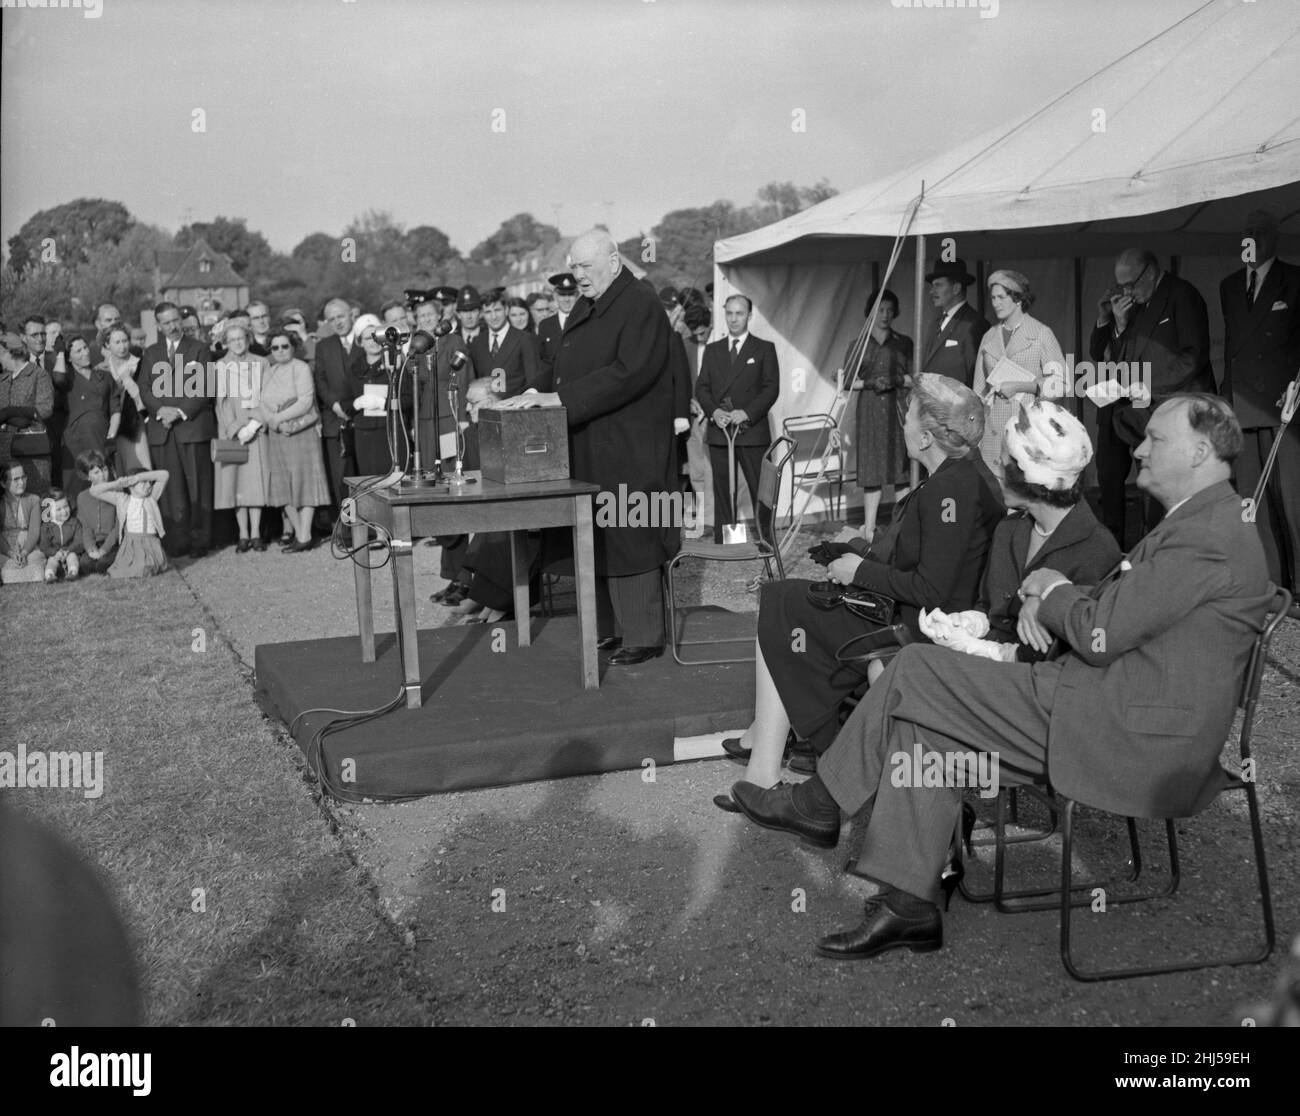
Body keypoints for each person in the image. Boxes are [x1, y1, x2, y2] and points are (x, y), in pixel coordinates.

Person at [728, 394, 1271, 961]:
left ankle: (821, 802)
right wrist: (1056, 595)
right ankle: (908, 903)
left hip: (1131, 735)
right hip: (1104, 705)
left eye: (1156, 439)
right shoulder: (1204, 524)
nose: (1138, 448)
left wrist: (1052, 590)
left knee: (915, 669)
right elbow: (1127, 615)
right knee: (924, 722)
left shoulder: (1205, 537)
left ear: (1201, 450)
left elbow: (1098, 633)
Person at [717, 374, 1004, 800]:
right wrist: (860, 552)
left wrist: (859, 571)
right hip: (904, 612)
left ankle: (767, 762)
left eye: (907, 417)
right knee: (784, 603)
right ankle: (765, 745)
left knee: (782, 603)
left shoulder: (951, 490)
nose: (901, 424)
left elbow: (931, 590)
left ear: (926, 438)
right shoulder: (957, 476)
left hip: (913, 626)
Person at [497, 231, 679, 664]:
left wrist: (560, 399)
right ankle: (611, 630)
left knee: (630, 533)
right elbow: (561, 367)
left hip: (630, 447)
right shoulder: (589, 303)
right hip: (590, 442)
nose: (578, 275)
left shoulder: (641, 303)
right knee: (596, 535)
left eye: (585, 266)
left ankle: (644, 636)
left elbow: (629, 372)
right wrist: (528, 395)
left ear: (614, 262)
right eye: (573, 266)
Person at [1088, 248, 1213, 544]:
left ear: (1152, 271)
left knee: (1157, 486)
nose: (1127, 291)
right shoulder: (1136, 303)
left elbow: (1193, 357)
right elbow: (1114, 357)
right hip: (1130, 406)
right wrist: (1117, 325)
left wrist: (1146, 384)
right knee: (1112, 478)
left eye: (1131, 284)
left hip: (1167, 406)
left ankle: (1160, 544)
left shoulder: (1182, 295)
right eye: (1122, 286)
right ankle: (1115, 547)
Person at [1220, 209, 1300, 592]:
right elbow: (1232, 349)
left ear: (1274, 238)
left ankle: (1298, 583)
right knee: (1253, 502)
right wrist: (1225, 401)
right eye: (1245, 233)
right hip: (1242, 404)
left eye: (1257, 233)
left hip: (1284, 407)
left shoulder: (1296, 280)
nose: (1248, 241)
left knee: (1291, 500)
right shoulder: (1229, 286)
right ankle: (1269, 584)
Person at [696, 294, 780, 543]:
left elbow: (771, 388)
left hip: (751, 431)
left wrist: (747, 413)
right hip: (721, 431)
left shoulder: (764, 349)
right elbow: (702, 388)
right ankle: (728, 540)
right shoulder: (712, 350)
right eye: (729, 313)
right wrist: (714, 412)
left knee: (760, 488)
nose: (734, 319)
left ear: (749, 316)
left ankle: (766, 538)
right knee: (723, 487)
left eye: (739, 313)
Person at [137, 302, 214, 558]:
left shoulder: (199, 349)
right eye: (166, 323)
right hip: (163, 431)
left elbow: (204, 387)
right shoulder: (151, 353)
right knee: (172, 490)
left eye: (175, 321)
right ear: (158, 326)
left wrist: (178, 412)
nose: (172, 326)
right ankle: (176, 541)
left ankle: (200, 540)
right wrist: (161, 411)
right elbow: (145, 389)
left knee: (197, 486)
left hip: (191, 428)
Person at [970, 269, 1066, 470]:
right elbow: (978, 389)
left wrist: (1022, 386)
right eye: (993, 298)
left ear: (1018, 299)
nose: (995, 303)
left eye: (1001, 297)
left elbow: (1060, 384)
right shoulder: (988, 337)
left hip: (1028, 431)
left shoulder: (1041, 334)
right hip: (993, 434)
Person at [848, 289, 913, 540]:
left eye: (889, 310)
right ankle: (870, 527)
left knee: (900, 469)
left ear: (895, 312)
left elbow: (913, 378)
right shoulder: (859, 344)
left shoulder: (904, 343)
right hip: (870, 409)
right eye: (880, 310)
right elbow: (847, 381)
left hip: (896, 408)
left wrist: (894, 380)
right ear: (871, 312)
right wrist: (872, 383)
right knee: (872, 469)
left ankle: (902, 525)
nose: (884, 315)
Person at [257, 328, 328, 552]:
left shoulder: (301, 368)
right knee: (282, 485)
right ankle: (300, 533)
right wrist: (274, 422)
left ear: (293, 347)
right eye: (275, 347)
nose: (279, 351)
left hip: (301, 433)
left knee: (304, 482)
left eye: (284, 346)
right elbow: (261, 402)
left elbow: (305, 401)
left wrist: (279, 419)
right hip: (278, 435)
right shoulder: (269, 371)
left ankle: (305, 534)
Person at [212, 323, 271, 552]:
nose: (237, 343)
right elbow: (221, 401)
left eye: (241, 338)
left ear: (248, 339)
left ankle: (256, 533)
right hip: (233, 431)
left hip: (256, 429)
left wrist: (254, 424)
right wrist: (236, 428)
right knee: (235, 482)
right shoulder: (220, 366)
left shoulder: (261, 363)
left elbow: (267, 396)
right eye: (232, 339)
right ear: (226, 342)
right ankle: (242, 534)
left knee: (254, 481)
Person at [54, 337, 122, 507]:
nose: (85, 352)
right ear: (69, 358)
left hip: (101, 438)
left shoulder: (104, 376)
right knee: (76, 486)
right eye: (78, 351)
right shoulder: (67, 379)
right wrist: (61, 353)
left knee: (105, 484)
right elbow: (58, 379)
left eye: (85, 347)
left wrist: (111, 436)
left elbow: (115, 410)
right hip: (75, 441)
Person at [313, 298, 359, 523]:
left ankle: (374, 526)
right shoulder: (324, 346)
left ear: (352, 314)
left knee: (366, 476)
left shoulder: (365, 339)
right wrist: (335, 405)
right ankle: (349, 528)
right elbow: (320, 382)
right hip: (336, 422)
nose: (338, 322)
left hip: (364, 421)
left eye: (341, 316)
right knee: (342, 479)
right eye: (332, 319)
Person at [349, 315, 411, 477]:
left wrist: (384, 403)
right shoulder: (354, 369)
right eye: (367, 338)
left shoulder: (396, 363)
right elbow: (345, 402)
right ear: (360, 342)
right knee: (369, 481)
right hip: (365, 435)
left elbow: (410, 399)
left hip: (392, 432)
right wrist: (356, 404)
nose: (373, 341)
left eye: (376, 336)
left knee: (394, 479)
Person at [0, 330, 55, 497]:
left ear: (9, 353)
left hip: (32, 452)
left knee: (38, 497)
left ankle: (44, 524)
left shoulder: (38, 375)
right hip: (4, 452)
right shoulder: (3, 380)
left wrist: (11, 413)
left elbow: (45, 408)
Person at [89, 468, 170, 579]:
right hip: (130, 545)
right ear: (131, 485)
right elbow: (94, 491)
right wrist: (117, 483)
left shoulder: (152, 497)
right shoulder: (122, 499)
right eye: (143, 482)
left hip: (149, 544)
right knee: (121, 569)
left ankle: (141, 568)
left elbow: (164, 475)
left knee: (143, 568)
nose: (148, 485)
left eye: (149, 482)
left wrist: (139, 477)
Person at [919, 258, 990, 386]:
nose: (932, 291)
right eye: (932, 286)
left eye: (938, 285)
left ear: (956, 288)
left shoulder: (974, 324)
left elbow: (975, 375)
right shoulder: (935, 324)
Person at [98, 325, 150, 472]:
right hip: (109, 425)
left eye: (125, 341)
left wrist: (127, 380)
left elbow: (143, 400)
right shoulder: (101, 368)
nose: (122, 346)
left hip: (134, 423)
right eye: (117, 342)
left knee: (138, 467)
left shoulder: (141, 364)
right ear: (107, 345)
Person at [470, 287, 540, 397]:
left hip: (515, 408)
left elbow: (533, 380)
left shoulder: (524, 339)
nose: (494, 317)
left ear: (506, 310)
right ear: (482, 314)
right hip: (486, 409)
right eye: (488, 312)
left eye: (497, 310)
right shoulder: (477, 342)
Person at [0, 460, 44, 584]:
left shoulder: (34, 500)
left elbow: (34, 532)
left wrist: (24, 552)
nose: (22, 482)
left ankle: (10, 576)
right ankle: (18, 573)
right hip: (5, 549)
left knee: (36, 558)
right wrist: (11, 554)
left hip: (28, 548)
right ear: (3, 483)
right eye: (16, 479)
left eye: (23, 477)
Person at [73, 450, 118, 574]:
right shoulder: (82, 497)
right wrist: (91, 549)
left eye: (104, 470)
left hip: (113, 543)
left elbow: (118, 528)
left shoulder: (117, 493)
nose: (102, 475)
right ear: (87, 476)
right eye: (96, 472)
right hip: (95, 542)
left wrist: (103, 550)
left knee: (103, 564)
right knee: (85, 564)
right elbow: (86, 527)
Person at [535, 273, 579, 392]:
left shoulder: (584, 321)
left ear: (577, 295)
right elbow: (543, 361)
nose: (566, 299)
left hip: (577, 389)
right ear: (555, 296)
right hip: (552, 390)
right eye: (562, 294)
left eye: (570, 294)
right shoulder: (545, 326)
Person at [39, 488, 85, 582]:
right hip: (55, 554)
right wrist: (56, 553)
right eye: (58, 509)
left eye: (66, 506)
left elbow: (79, 541)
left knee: (72, 557)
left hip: (71, 551)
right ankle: (50, 575)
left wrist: (68, 551)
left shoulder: (74, 523)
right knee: (52, 560)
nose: (64, 512)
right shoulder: (46, 527)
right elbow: (44, 546)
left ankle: (73, 573)